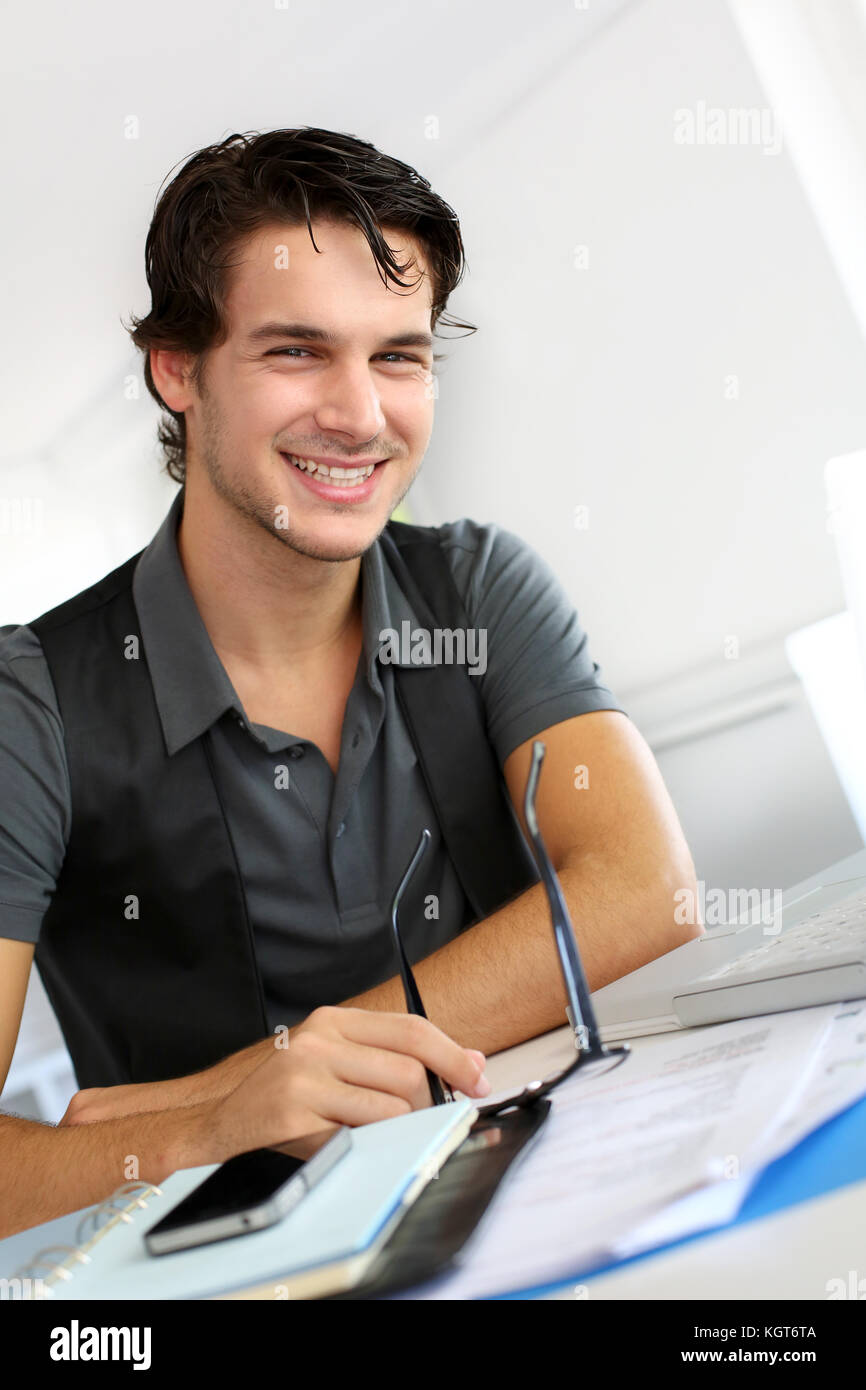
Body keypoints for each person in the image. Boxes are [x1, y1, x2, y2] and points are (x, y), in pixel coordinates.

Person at [0, 127, 700, 1238]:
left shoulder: (475, 586)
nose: (360, 414)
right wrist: (204, 1127)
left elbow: (644, 885)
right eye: (294, 352)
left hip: (536, 1198)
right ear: (177, 368)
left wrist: (256, 1071)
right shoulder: (28, 703)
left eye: (397, 356)